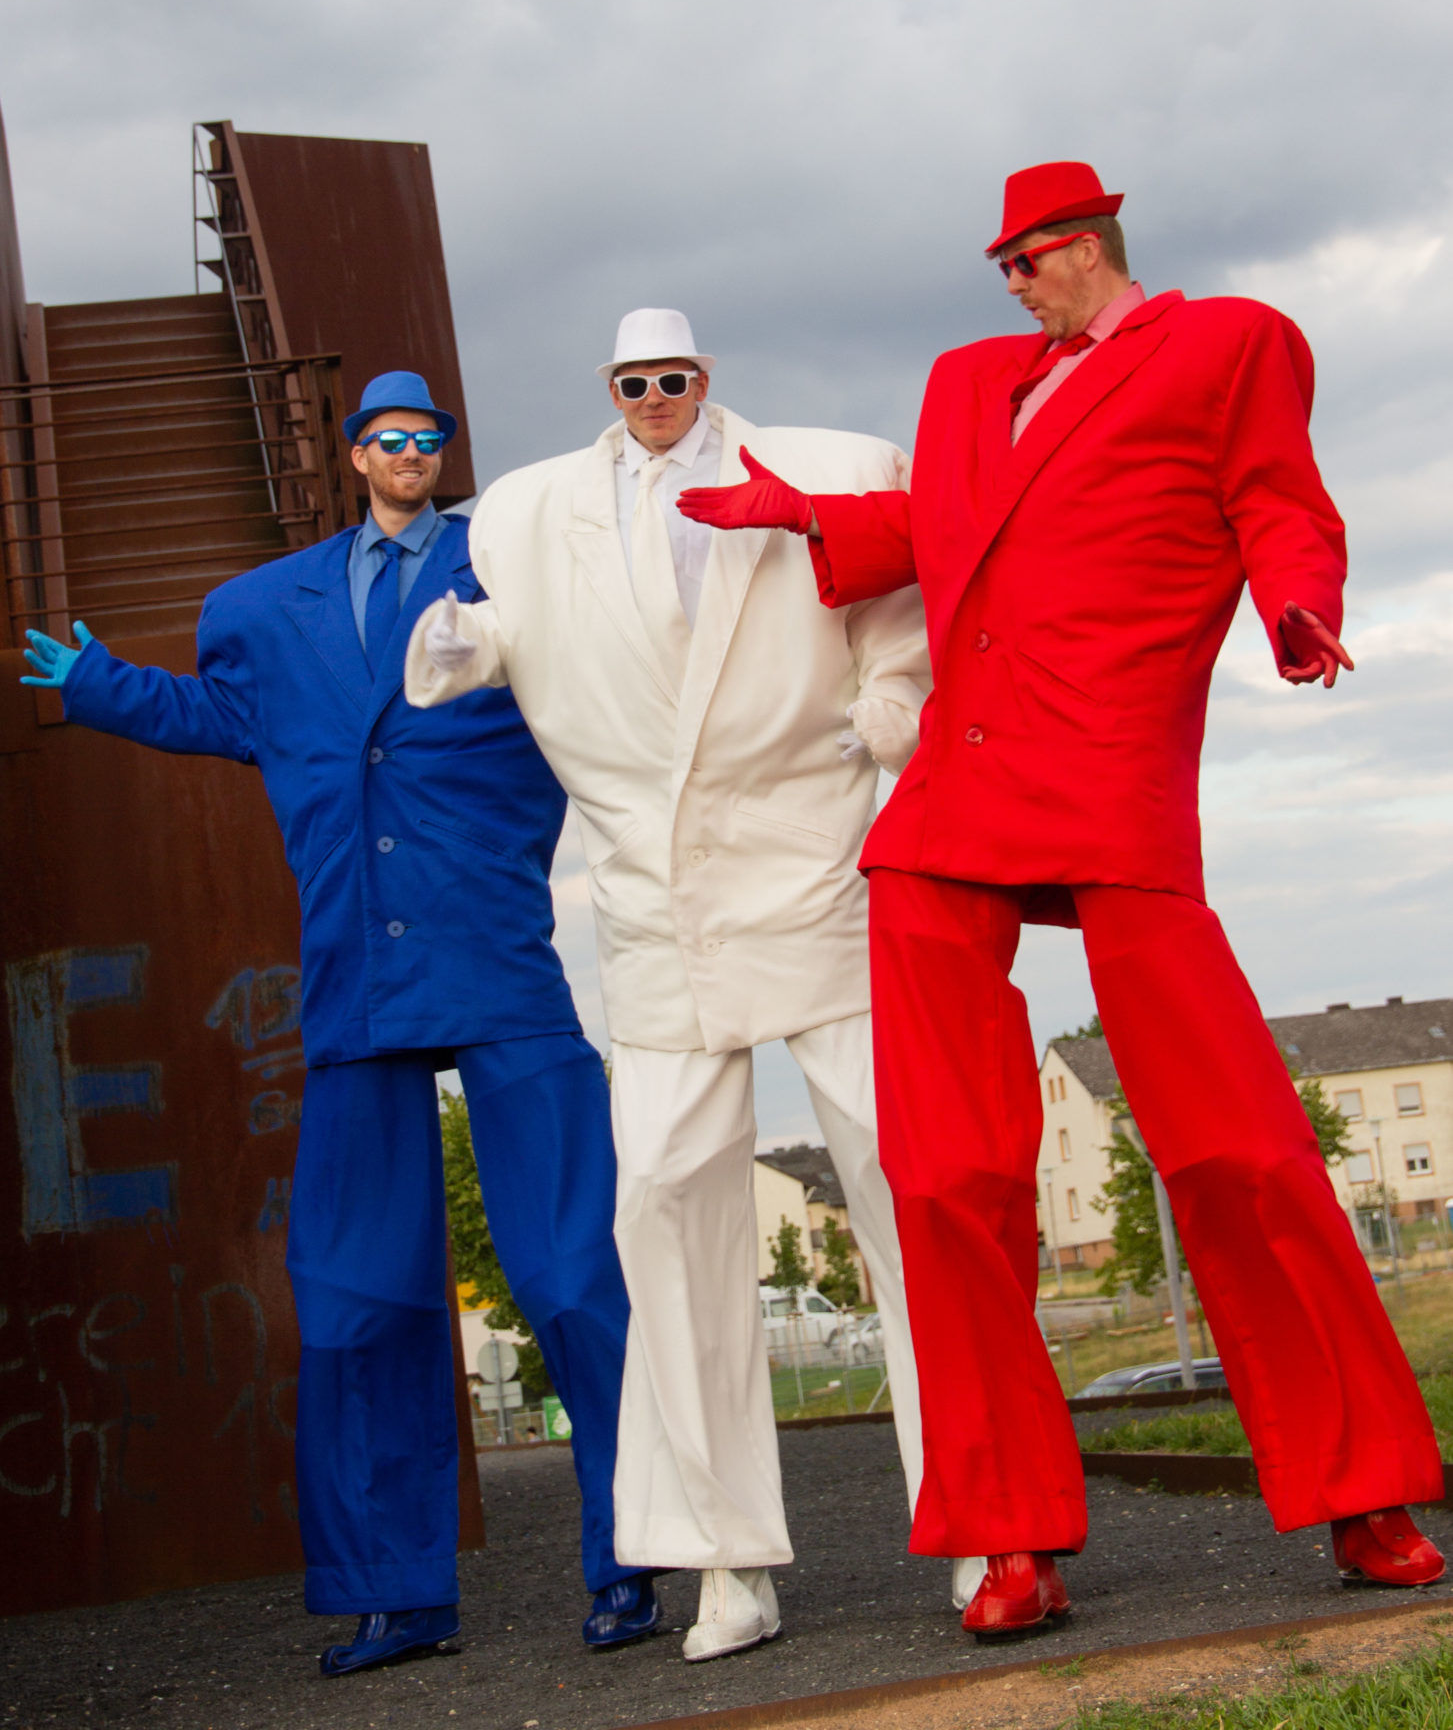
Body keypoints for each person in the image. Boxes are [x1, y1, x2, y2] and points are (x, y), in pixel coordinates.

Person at [674, 165, 1446, 1634]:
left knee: (1241, 1150)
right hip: (951, 798)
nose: (1008, 285)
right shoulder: (969, 383)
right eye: (1002, 265)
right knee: (943, 1172)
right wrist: (806, 516)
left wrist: (1298, 606)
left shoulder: (1227, 342)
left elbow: (1278, 499)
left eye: (1024, 260)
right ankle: (1008, 1536)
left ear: (1083, 247)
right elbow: (951, 537)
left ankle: (1365, 1494)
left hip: (1110, 777)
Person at [21, 370, 656, 1673]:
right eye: (388, 436)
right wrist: (99, 684)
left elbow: (612, 690)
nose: (410, 452)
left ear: (441, 452)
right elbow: (231, 721)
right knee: (358, 1297)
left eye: (428, 437)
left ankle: (637, 1551)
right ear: (354, 452)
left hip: (494, 960)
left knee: (571, 1276)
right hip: (356, 981)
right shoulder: (269, 608)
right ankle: (397, 1589)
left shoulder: (516, 570)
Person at [405, 309, 981, 1661]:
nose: (654, 397)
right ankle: (724, 1560)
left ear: (703, 380)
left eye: (672, 378)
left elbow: (899, 619)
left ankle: (979, 1512)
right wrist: (460, 650)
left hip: (813, 861)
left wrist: (891, 709)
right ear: (608, 389)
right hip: (652, 900)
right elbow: (507, 636)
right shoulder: (533, 510)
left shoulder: (833, 465)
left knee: (908, 1183)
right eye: (631, 382)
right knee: (661, 1212)